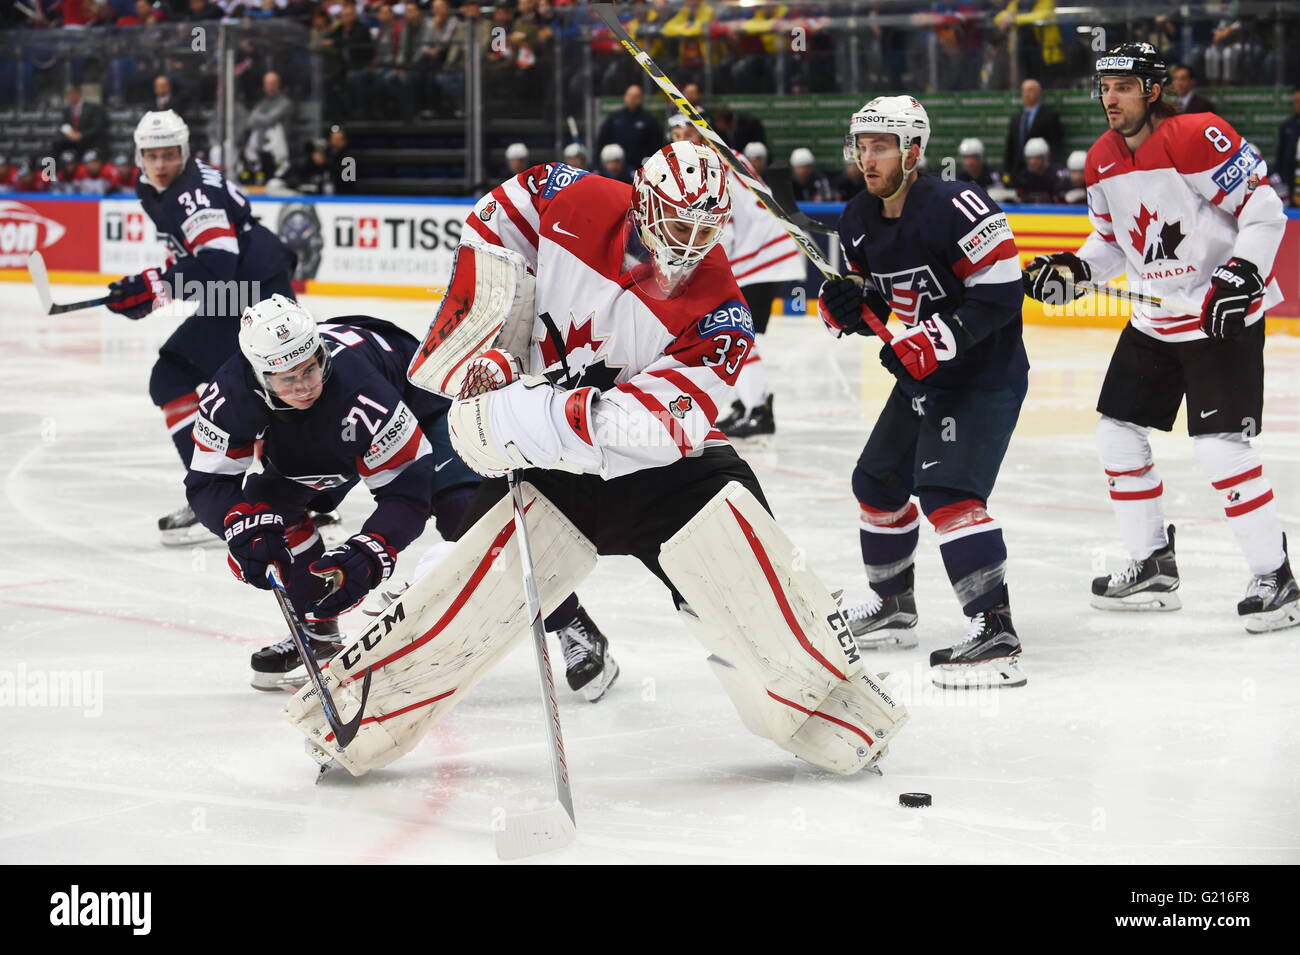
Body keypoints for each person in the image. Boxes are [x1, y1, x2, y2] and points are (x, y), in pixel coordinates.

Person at [289, 142, 907, 777]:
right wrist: (495, 338)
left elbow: (655, 428)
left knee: (752, 602)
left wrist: (513, 415)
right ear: (641, 199)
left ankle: (840, 716)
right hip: (554, 476)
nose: (689, 243)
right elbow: (495, 222)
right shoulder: (571, 196)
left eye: (705, 228)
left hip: (674, 483)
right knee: (456, 595)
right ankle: (349, 721)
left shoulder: (723, 311)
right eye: (676, 221)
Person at [185, 295, 618, 699]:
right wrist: (238, 521)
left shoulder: (359, 387)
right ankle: (316, 629)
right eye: (287, 378)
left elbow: (406, 495)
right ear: (258, 377)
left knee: (468, 525)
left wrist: (370, 553)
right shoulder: (229, 397)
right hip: (311, 442)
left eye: (311, 368)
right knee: (267, 514)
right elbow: (208, 484)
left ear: (322, 354)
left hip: (422, 410)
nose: (303, 386)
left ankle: (573, 625)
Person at [1022, 43, 1297, 632]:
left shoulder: (1196, 134)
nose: (1109, 98)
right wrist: (1076, 270)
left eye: (1122, 86)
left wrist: (1243, 273)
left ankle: (1277, 578)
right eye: (1104, 87)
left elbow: (1265, 209)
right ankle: (1151, 565)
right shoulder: (1099, 160)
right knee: (1116, 436)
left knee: (1220, 448)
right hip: (1155, 320)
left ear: (1152, 90)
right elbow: (1112, 244)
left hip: (1220, 316)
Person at [817, 95, 1029, 689]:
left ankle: (997, 630)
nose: (868, 157)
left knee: (948, 494)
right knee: (877, 484)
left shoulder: (958, 205)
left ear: (914, 150)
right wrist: (847, 310)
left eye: (880, 145)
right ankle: (894, 607)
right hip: (926, 377)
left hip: (982, 376)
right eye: (862, 146)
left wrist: (939, 340)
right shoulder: (858, 215)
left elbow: (1001, 291)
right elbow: (881, 302)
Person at [102, 110, 297, 546]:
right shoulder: (155, 186)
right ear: (139, 155)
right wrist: (151, 286)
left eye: (170, 154)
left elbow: (216, 264)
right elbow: (198, 258)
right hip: (250, 281)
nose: (160, 163)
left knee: (179, 376)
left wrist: (153, 288)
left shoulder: (190, 193)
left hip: (251, 286)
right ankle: (284, 497)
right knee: (255, 387)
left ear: (184, 152)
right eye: (152, 155)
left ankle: (227, 497)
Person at [665, 114, 803, 441]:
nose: (683, 137)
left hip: (760, 256)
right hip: (766, 252)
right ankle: (747, 404)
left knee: (736, 333)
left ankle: (758, 410)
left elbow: (721, 224)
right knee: (737, 332)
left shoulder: (707, 165)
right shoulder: (725, 155)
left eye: (689, 130)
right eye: (677, 132)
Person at [596, 83, 666, 172]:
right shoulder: (614, 119)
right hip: (616, 170)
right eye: (629, 95)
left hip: (641, 169)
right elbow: (601, 142)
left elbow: (656, 146)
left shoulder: (649, 121)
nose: (632, 99)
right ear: (625, 97)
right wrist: (598, 165)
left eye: (636, 96)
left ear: (641, 99)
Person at [241, 71, 293, 185]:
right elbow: (249, 122)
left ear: (278, 84)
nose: (269, 86)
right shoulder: (262, 103)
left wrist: (258, 117)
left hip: (279, 148)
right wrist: (263, 119)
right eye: (267, 83)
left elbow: (268, 119)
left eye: (272, 83)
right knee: (253, 136)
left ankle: (281, 169)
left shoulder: (285, 102)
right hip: (261, 146)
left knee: (274, 129)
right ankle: (255, 167)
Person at [1003, 78, 1064, 177]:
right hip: (1018, 172)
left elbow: (1056, 145)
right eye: (1024, 90)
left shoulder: (1049, 116)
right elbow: (1010, 146)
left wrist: (1053, 169)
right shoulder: (1016, 118)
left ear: (1039, 93)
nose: (1027, 94)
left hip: (1042, 172)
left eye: (1030, 90)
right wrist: (1007, 170)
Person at [54, 85, 107, 159]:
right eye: (68, 95)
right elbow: (63, 124)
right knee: (57, 143)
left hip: (87, 138)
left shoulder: (92, 108)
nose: (70, 97)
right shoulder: (67, 109)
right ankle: (54, 168)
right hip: (71, 139)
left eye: (72, 94)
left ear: (78, 94)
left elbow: (97, 127)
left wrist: (81, 135)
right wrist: (70, 133)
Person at [1011, 136, 1067, 203]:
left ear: (1045, 158)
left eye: (1037, 157)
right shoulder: (1022, 176)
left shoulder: (1057, 175)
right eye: (1030, 158)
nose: (1033, 162)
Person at [1272, 87, 1300, 207]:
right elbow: (1281, 154)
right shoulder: (1288, 125)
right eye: (1295, 102)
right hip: (1290, 179)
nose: (1297, 105)